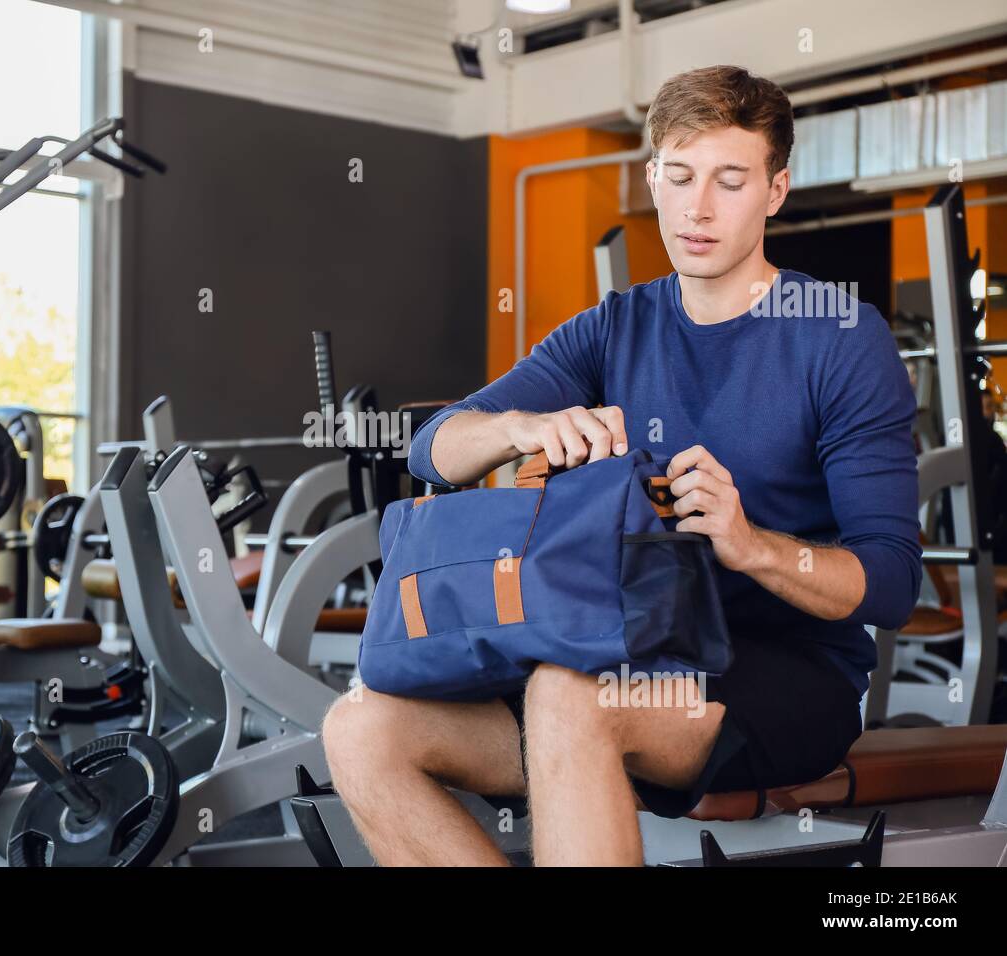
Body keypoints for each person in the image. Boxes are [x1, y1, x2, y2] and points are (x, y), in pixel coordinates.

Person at [321, 64, 921, 866]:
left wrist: (751, 545)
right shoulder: (616, 326)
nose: (698, 208)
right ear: (653, 179)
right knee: (361, 726)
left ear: (776, 190)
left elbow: (889, 582)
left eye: (730, 181)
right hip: (619, 645)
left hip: (780, 672)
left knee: (572, 690)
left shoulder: (841, 338)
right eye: (679, 177)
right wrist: (525, 428)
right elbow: (435, 445)